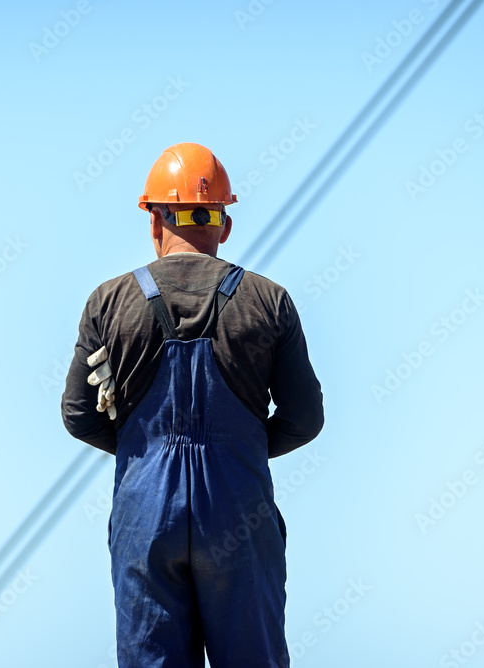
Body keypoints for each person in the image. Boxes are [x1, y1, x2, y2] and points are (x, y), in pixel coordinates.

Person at [62, 142, 323, 668]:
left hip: (145, 515)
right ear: (223, 225)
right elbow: (304, 418)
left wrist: (143, 448)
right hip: (239, 514)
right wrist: (240, 450)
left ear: (154, 221)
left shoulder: (108, 302)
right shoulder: (268, 300)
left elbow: (78, 414)